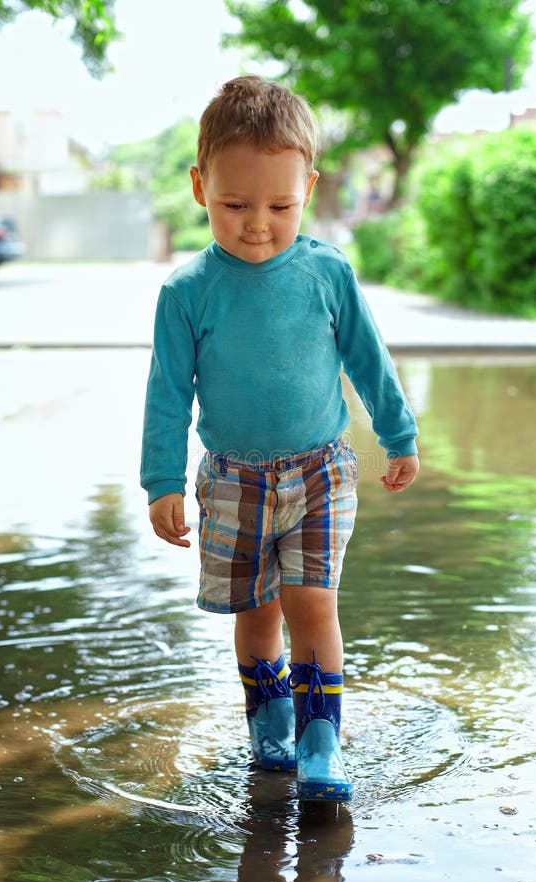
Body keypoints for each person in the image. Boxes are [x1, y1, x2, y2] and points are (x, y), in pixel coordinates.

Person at [140, 75, 419, 803]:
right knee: (257, 613)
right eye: (234, 204)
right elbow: (167, 394)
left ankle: (321, 738)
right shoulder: (187, 292)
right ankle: (269, 721)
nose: (257, 223)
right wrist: (162, 482)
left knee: (312, 605)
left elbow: (368, 360)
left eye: (281, 205)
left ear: (309, 188)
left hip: (322, 472)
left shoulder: (327, 273)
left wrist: (399, 433)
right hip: (232, 480)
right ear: (201, 187)